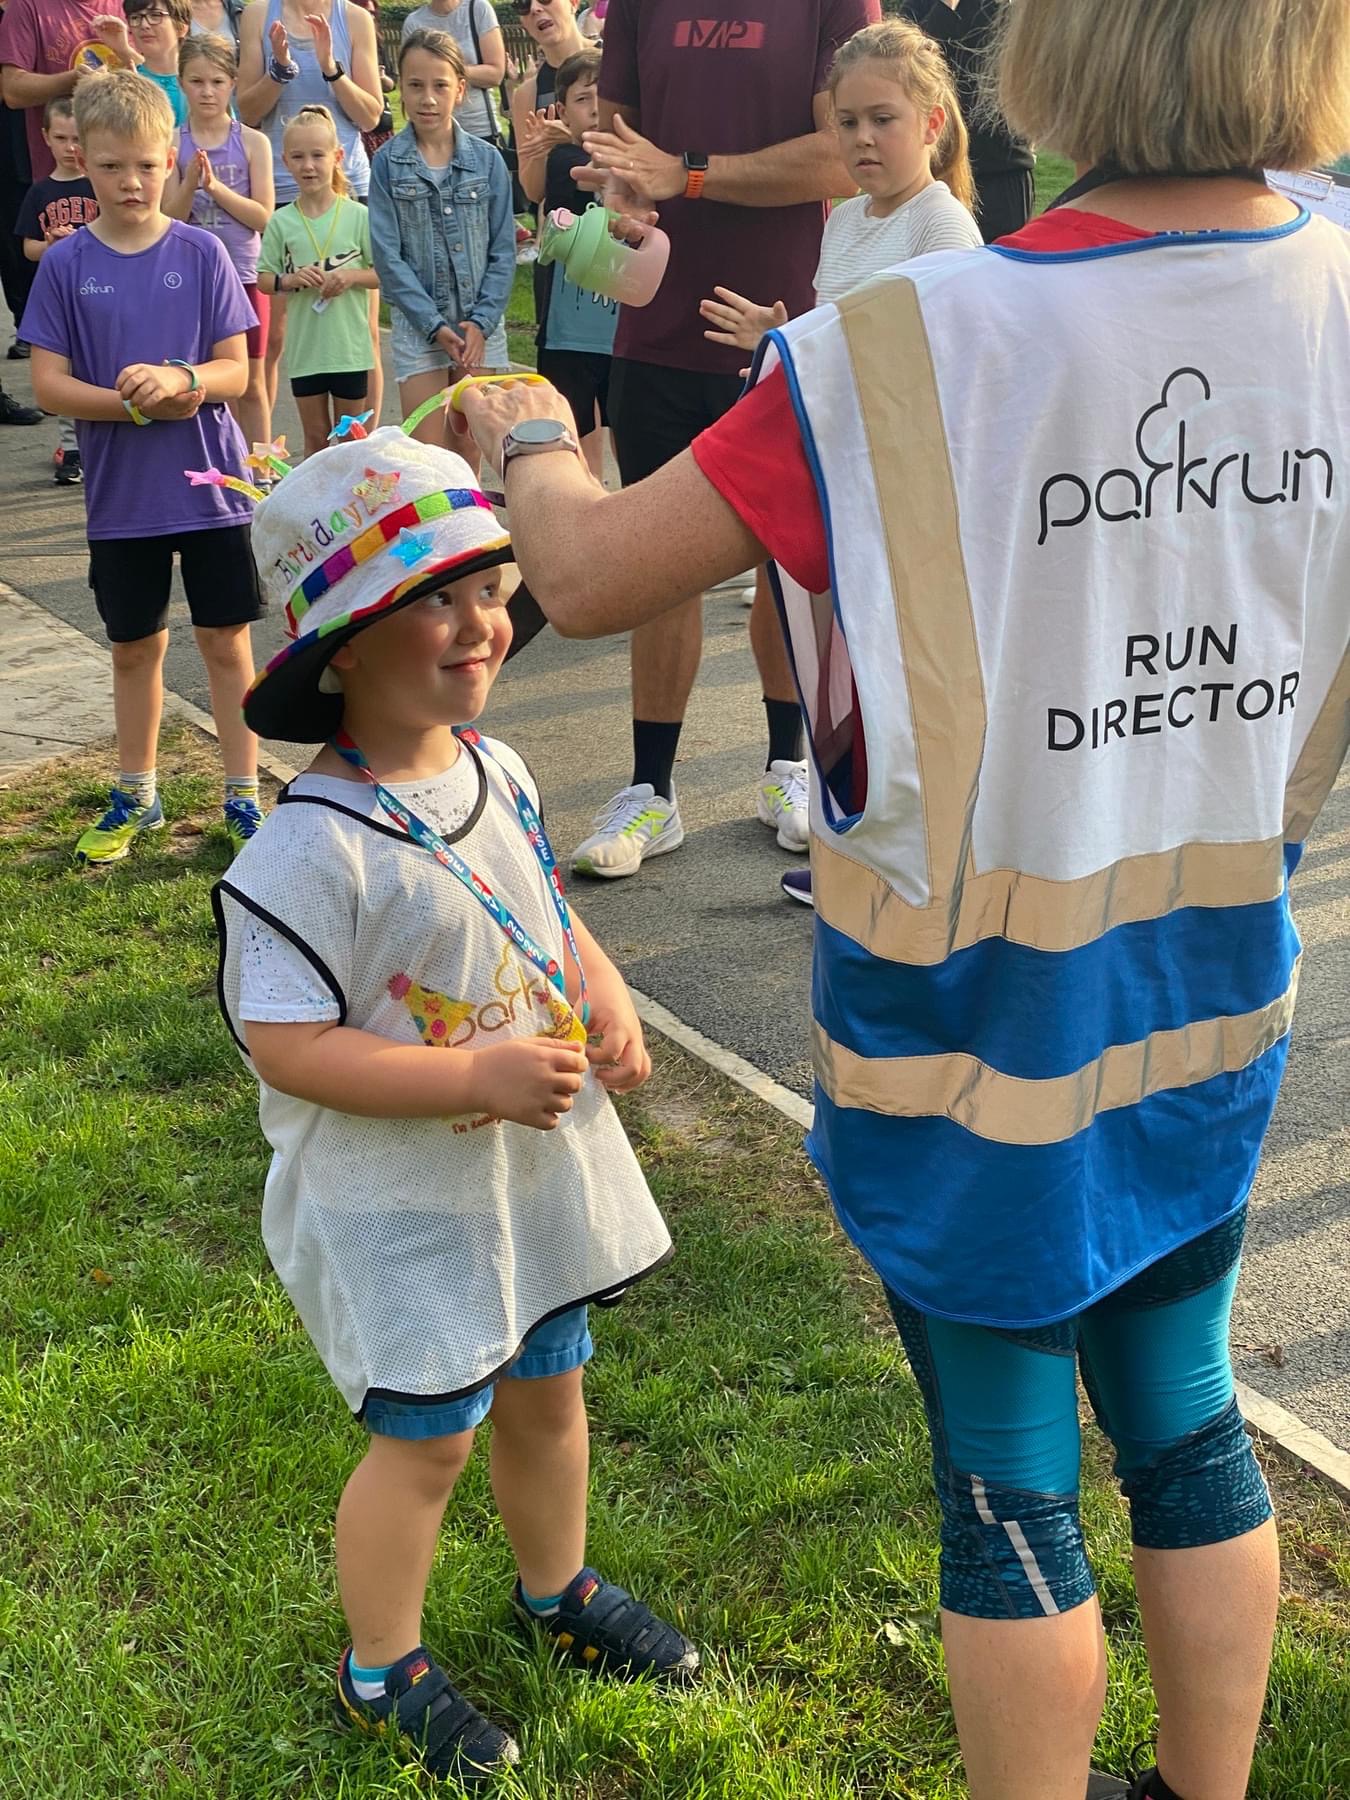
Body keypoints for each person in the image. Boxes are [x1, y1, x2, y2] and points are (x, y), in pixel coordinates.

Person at [455, 0, 1350, 1793]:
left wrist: (533, 424)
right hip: (1217, 972)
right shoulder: (1332, 277)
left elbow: (586, 565)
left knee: (1007, 1473)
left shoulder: (912, 341)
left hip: (975, 1016)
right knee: (1182, 1412)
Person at [213, 425, 698, 1788]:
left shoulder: (503, 771)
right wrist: (470, 1076)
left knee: (551, 1397)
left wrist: (601, 992)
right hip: (405, 1207)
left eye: (488, 587)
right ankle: (383, 1665)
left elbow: (538, 911)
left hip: (526, 1185)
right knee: (426, 1438)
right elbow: (287, 1045)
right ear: (341, 652)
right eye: (434, 598)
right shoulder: (309, 849)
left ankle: (556, 1589)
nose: (480, 622)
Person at [561, 0, 878, 881]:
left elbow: (838, 158)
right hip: (655, 318)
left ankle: (789, 768)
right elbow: (625, 136)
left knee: (790, 557)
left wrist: (687, 174)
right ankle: (649, 792)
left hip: (785, 317)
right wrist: (623, 187)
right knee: (660, 560)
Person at [699, 16, 982, 901]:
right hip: (842, 484)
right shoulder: (849, 220)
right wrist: (782, 338)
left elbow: (928, 375)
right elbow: (839, 345)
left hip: (905, 498)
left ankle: (917, 871)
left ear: (932, 122)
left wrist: (795, 339)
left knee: (898, 689)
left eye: (882, 119)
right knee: (850, 687)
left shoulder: (946, 232)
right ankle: (863, 858)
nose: (861, 138)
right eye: (847, 122)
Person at [25, 71, 265, 862]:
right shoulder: (64, 265)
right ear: (80, 162)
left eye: (146, 164)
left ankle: (245, 795)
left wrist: (185, 381)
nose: (130, 181)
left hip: (212, 496)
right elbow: (48, 383)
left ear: (174, 159)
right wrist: (131, 402)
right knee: (135, 646)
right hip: (123, 500)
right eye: (110, 165)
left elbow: (237, 369)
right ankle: (138, 792)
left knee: (226, 640)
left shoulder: (200, 253)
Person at [236, 0, 384, 421]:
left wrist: (330, 66)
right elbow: (247, 110)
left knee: (364, 331)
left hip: (348, 189)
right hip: (283, 189)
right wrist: (280, 69)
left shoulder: (353, 18)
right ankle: (262, 447)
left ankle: (364, 449)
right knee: (276, 334)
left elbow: (371, 115)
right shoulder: (258, 15)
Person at [368, 29, 514, 446]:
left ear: (460, 90)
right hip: (419, 327)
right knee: (429, 454)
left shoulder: (487, 162)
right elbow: (387, 256)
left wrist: (482, 323)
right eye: (415, 86)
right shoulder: (387, 164)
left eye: (439, 86)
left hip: (478, 326)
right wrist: (432, 325)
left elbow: (503, 250)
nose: (427, 98)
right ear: (401, 90)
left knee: (469, 452)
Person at [165, 32, 274, 450]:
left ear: (232, 82)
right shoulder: (173, 142)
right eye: (196, 81)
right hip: (188, 277)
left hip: (244, 274)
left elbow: (262, 215)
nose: (207, 91)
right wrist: (190, 183)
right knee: (196, 380)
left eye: (216, 81)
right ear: (181, 82)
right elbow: (168, 217)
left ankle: (261, 473)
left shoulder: (252, 142)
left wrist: (215, 188)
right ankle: (211, 469)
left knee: (251, 382)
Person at [258, 102, 376, 455]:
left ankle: (353, 506)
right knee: (315, 439)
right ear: (285, 162)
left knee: (352, 442)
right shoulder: (281, 222)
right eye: (298, 157)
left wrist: (350, 277)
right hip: (306, 352)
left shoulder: (358, 216)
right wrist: (290, 280)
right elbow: (264, 279)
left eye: (317, 155)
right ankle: (319, 509)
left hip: (349, 351)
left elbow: (383, 273)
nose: (308, 166)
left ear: (337, 156)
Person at [521, 47, 613, 477]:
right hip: (569, 333)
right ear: (561, 109)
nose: (596, 108)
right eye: (583, 99)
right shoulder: (562, 159)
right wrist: (563, 141)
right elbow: (581, 173)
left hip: (620, 332)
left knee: (628, 440)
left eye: (604, 95)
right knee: (574, 437)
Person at [902, 0, 1034, 243]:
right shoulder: (920, 6)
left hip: (1003, 171)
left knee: (1001, 275)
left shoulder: (1010, 8)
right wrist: (944, 7)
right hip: (936, 170)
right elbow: (907, 73)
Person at [15, 93, 98, 477]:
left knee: (98, 366)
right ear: (46, 137)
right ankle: (72, 448)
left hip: (101, 293)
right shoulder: (39, 191)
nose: (71, 147)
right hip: (60, 298)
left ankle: (102, 439)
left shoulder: (100, 183)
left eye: (78, 138)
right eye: (62, 138)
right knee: (65, 370)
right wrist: (49, 245)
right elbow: (27, 248)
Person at [0, 0, 123, 185]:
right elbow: (13, 90)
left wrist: (128, 54)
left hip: (123, 173)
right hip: (57, 182)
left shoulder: (129, 6)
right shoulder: (27, 6)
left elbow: (159, 71)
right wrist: (73, 80)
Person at [399, 0, 505, 148]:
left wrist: (447, 71)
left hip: (479, 130)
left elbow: (496, 74)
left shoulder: (478, 9)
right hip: (429, 135)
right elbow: (408, 76)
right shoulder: (413, 22)